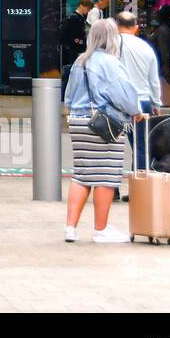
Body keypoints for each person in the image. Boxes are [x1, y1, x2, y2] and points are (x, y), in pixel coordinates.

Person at [62, 18, 142, 243]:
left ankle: (70, 228)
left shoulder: (80, 61)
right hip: (103, 124)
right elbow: (124, 97)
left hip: (78, 122)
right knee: (106, 176)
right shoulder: (110, 63)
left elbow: (68, 96)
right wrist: (135, 110)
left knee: (82, 175)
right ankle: (101, 229)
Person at [115, 11, 162, 196]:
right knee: (141, 147)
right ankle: (139, 191)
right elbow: (153, 79)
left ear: (117, 26)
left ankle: (111, 189)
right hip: (142, 102)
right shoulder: (146, 48)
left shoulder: (111, 45)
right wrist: (156, 103)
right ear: (136, 27)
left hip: (117, 101)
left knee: (113, 146)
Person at [60, 0, 93, 74]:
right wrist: (82, 44)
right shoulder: (74, 19)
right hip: (73, 51)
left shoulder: (78, 18)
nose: (88, 11)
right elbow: (72, 37)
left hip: (74, 50)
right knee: (70, 73)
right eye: (87, 8)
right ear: (81, 5)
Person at [153, 4, 170, 105]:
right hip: (168, 62)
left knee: (166, 87)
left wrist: (165, 66)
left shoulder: (163, 30)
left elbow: (164, 49)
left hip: (163, 64)